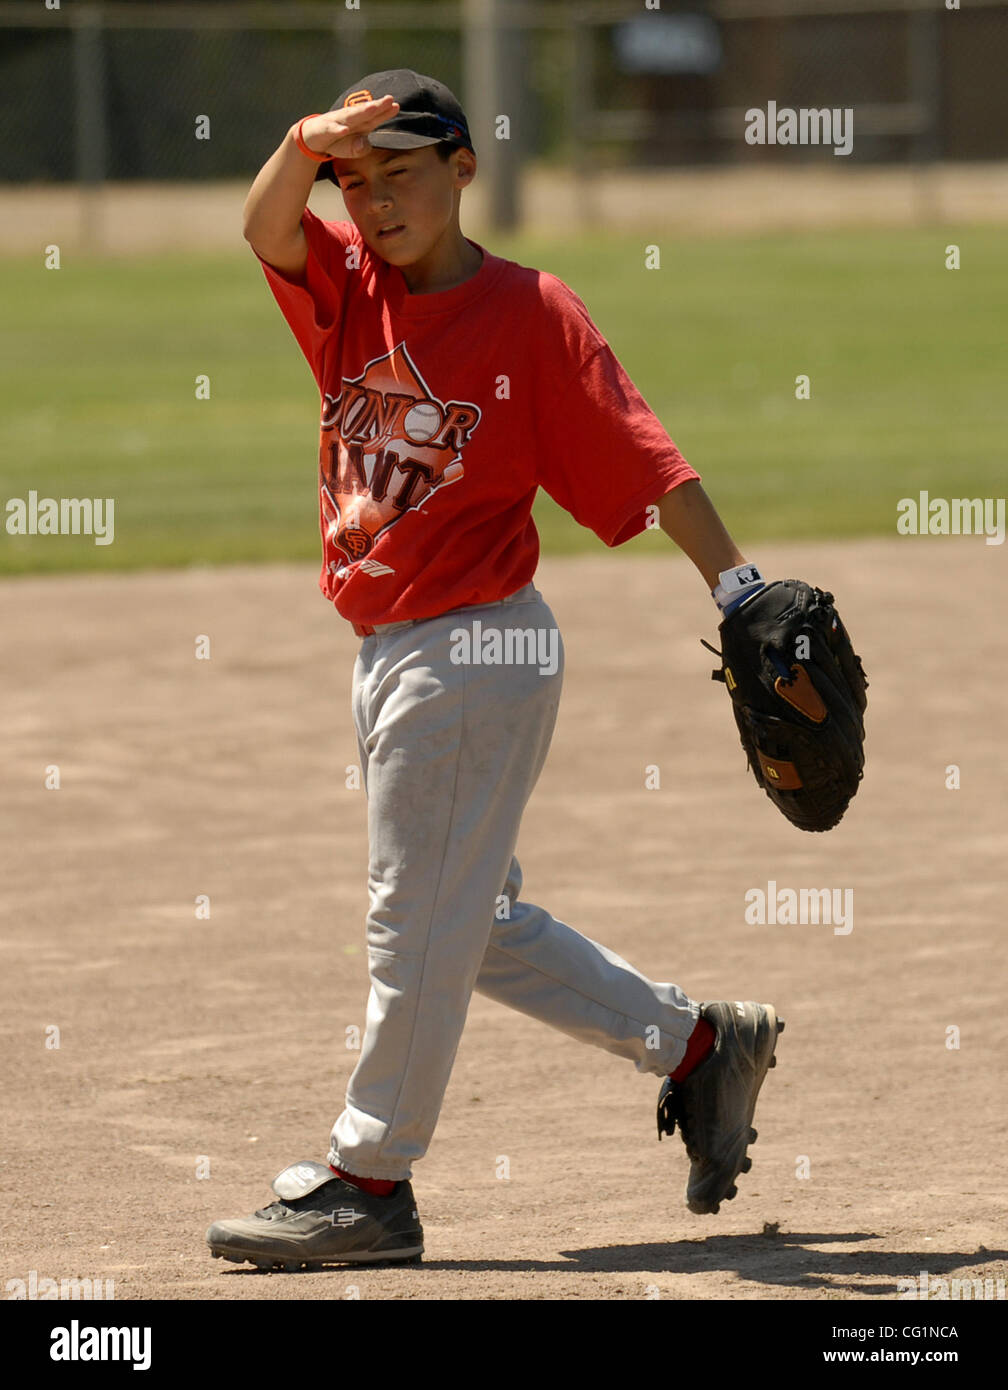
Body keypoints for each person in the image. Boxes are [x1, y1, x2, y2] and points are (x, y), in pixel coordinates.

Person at [207, 69, 783, 1272]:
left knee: (412, 924)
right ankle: (699, 1048)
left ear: (465, 169)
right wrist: (309, 140)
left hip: (474, 646)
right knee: (475, 921)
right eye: (355, 184)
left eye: (403, 173)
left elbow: (644, 456)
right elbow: (265, 224)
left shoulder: (530, 312)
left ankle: (371, 1178)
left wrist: (736, 587)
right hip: (392, 651)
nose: (374, 204)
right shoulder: (350, 294)